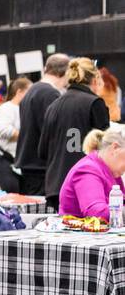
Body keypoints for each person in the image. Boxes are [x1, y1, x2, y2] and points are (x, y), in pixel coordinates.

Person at [39, 57, 110, 210]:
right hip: (85, 186)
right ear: (95, 78)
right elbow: (107, 151)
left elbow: (42, 151)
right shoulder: (94, 103)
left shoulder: (53, 106)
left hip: (55, 187)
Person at [14, 53, 70, 196]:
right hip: (40, 166)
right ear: (64, 72)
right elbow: (53, 132)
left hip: (31, 163)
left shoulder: (32, 90)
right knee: (42, 214)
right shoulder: (49, 94)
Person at [59, 128, 125, 220]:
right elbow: (95, 212)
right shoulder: (88, 169)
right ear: (115, 148)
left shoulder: (113, 172)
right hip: (76, 232)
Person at [0, 77, 30, 193]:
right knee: (12, 194)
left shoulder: (26, 108)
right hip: (3, 159)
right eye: (29, 91)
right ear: (19, 92)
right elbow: (5, 130)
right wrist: (28, 136)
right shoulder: (6, 108)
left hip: (19, 161)